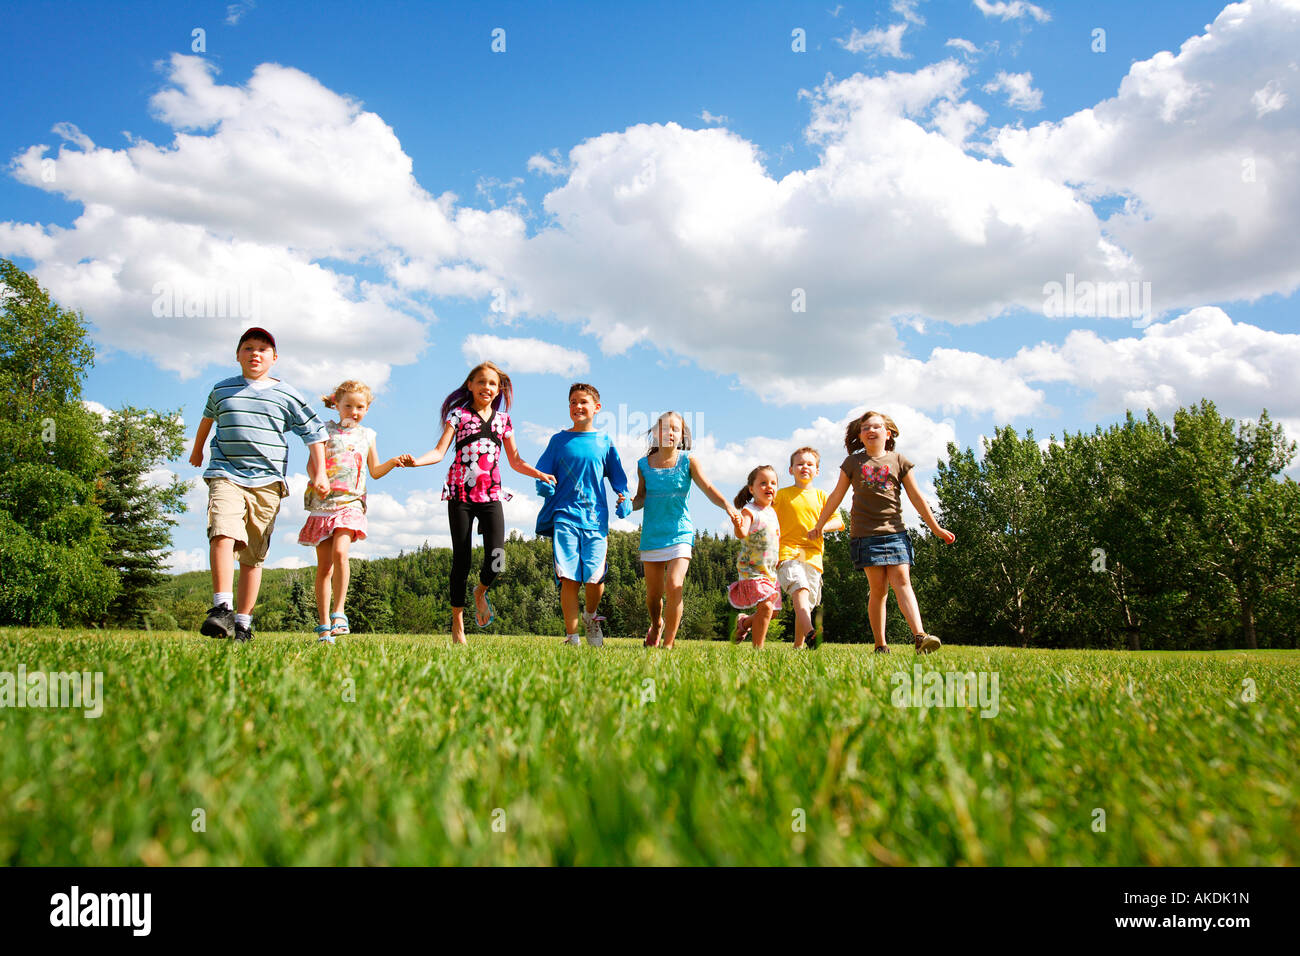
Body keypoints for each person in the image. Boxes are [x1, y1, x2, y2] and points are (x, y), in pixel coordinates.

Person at [188, 327, 328, 643]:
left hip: (268, 483)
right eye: (248, 347)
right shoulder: (222, 390)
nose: (255, 353)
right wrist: (197, 449)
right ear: (238, 355)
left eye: (263, 349)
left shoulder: (287, 394)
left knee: (253, 555)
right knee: (222, 532)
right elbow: (207, 419)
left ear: (274, 358)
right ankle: (221, 607)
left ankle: (242, 624)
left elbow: (315, 433)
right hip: (226, 473)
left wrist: (319, 474)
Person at [407, 361, 555, 644]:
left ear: (498, 389)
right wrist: (415, 462)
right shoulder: (458, 415)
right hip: (460, 493)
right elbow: (439, 452)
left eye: (492, 384)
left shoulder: (503, 421)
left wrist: (538, 473)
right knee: (461, 559)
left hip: (491, 495)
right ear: (470, 386)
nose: (487, 387)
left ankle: (480, 591)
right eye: (481, 382)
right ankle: (458, 622)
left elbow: (515, 460)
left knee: (497, 559)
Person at [810, 410, 955, 654]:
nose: (870, 431)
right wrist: (819, 525)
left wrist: (936, 528)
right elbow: (836, 495)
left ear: (887, 434)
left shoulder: (899, 461)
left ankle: (920, 637)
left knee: (902, 581)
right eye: (865, 428)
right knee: (878, 590)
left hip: (895, 532)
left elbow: (916, 497)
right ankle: (880, 644)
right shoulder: (853, 463)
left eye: (875, 426)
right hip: (865, 535)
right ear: (861, 435)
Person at [297, 380, 407, 643]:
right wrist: (316, 480)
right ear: (336, 404)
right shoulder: (324, 431)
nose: (354, 411)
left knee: (340, 552)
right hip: (324, 504)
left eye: (360, 407)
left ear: (367, 409)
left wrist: (393, 462)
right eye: (348, 406)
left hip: (351, 503)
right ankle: (324, 626)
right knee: (324, 567)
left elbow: (375, 471)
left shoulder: (368, 435)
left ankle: (339, 612)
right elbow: (312, 465)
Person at [534, 382, 629, 647]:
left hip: (596, 520)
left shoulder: (605, 441)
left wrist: (625, 498)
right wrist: (542, 484)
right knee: (569, 577)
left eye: (583, 402)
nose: (578, 406)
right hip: (564, 516)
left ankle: (590, 617)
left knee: (595, 577)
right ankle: (572, 637)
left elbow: (619, 479)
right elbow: (543, 472)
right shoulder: (558, 441)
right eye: (573, 402)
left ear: (597, 407)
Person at [630, 411, 737, 647]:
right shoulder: (643, 465)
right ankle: (657, 624)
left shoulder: (689, 461)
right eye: (664, 428)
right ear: (655, 434)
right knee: (653, 597)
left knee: (675, 584)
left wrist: (727, 506)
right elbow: (640, 498)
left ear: (681, 436)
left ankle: (668, 644)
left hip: (680, 533)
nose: (670, 432)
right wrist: (628, 505)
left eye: (675, 429)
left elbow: (708, 487)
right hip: (653, 535)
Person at [773, 447, 843, 649]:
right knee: (800, 588)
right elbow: (764, 515)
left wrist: (821, 527)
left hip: (812, 555)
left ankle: (799, 646)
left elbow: (838, 521)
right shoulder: (782, 495)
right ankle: (811, 633)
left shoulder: (822, 496)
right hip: (787, 551)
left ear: (817, 471)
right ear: (791, 469)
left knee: (806, 603)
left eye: (810, 464)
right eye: (800, 464)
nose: (805, 467)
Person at [728, 465, 782, 649]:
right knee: (766, 607)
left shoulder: (772, 512)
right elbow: (742, 533)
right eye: (763, 483)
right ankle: (758, 650)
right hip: (751, 570)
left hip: (770, 572)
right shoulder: (750, 510)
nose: (769, 487)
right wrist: (737, 524)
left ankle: (743, 623)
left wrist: (779, 558)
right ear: (752, 489)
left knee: (772, 612)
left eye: (773, 483)